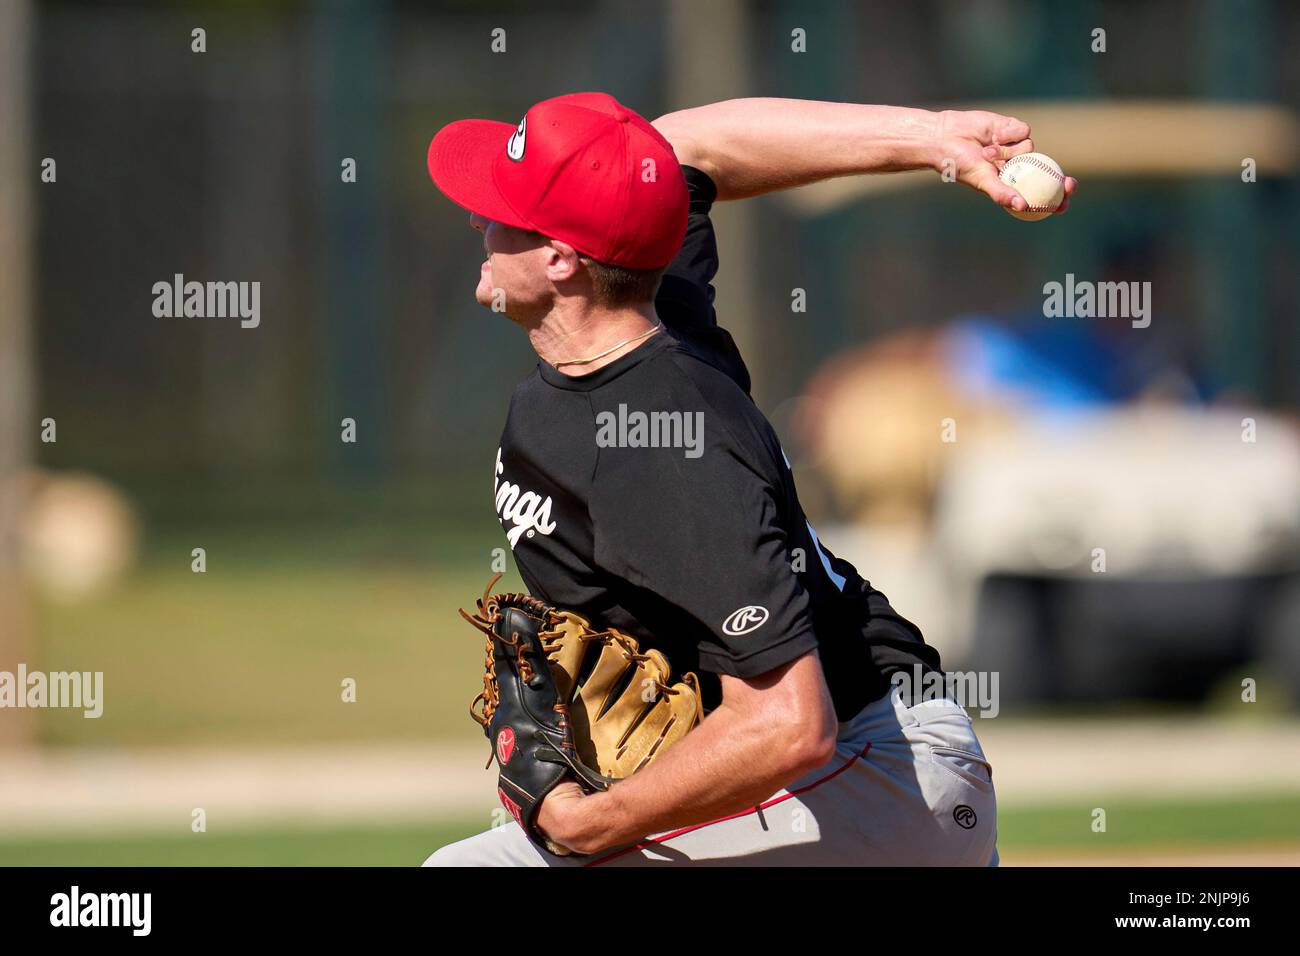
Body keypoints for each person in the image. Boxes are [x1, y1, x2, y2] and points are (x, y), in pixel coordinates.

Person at [422, 93, 1075, 866]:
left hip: (866, 771)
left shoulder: (661, 452)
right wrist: (934, 139)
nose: (477, 222)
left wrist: (594, 825)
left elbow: (790, 725)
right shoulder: (650, 303)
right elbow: (693, 143)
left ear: (563, 259)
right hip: (848, 768)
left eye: (502, 210)